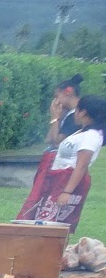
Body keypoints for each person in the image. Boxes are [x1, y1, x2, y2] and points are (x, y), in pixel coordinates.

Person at [17, 94, 102, 233]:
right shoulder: (81, 132)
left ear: (83, 112)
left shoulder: (91, 136)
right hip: (55, 181)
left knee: (50, 225)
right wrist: (55, 117)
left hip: (65, 183)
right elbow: (56, 142)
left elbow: (81, 166)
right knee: (38, 220)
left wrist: (66, 192)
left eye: (77, 109)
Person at [21, 75, 85, 216]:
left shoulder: (75, 117)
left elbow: (57, 141)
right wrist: (58, 117)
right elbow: (49, 138)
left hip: (62, 167)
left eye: (57, 96)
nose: (56, 100)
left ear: (67, 92)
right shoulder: (68, 115)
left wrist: (54, 117)